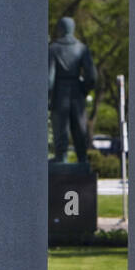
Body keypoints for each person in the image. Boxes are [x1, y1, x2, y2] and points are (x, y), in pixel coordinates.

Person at [48, 17, 97, 163]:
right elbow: (92, 76)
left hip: (59, 92)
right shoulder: (82, 48)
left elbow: (49, 79)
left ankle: (61, 158)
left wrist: (48, 97)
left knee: (60, 127)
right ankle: (82, 158)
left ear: (60, 29)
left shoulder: (53, 49)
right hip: (77, 92)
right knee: (79, 126)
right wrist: (84, 89)